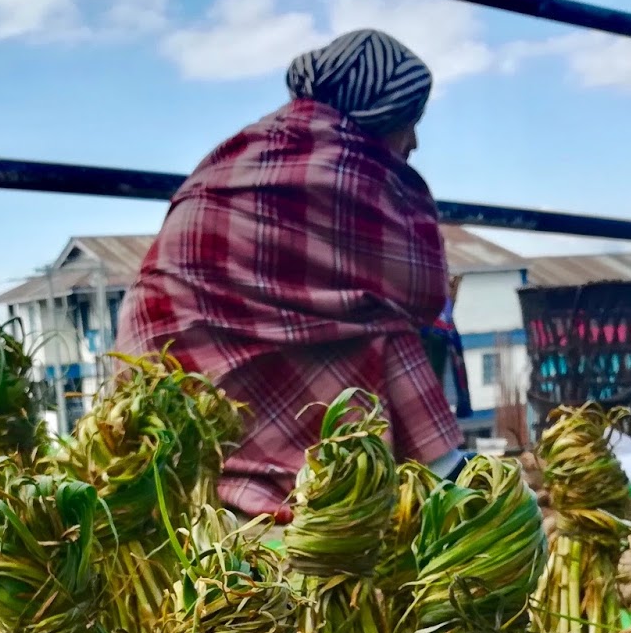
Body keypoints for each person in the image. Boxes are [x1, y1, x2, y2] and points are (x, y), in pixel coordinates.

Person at [115, 29, 464, 521]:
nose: (413, 143)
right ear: (381, 116)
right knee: (388, 333)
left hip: (165, 406)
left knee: (364, 322)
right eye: (411, 124)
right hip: (221, 393)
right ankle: (415, 483)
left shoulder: (236, 153)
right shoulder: (360, 176)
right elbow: (423, 295)